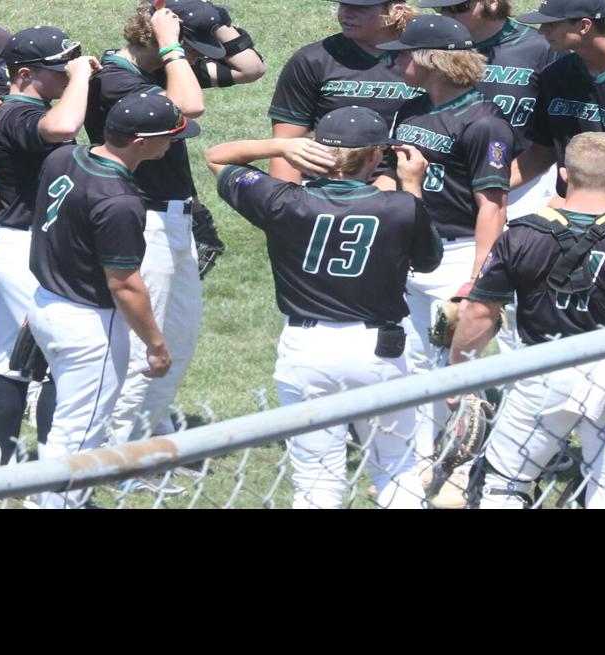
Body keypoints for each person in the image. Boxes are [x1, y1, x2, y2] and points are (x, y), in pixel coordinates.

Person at [206, 106, 441, 509]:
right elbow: (430, 259)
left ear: (314, 152)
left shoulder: (280, 200)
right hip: (378, 352)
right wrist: (412, 187)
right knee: (396, 467)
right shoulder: (401, 207)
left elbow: (217, 156)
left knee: (316, 478)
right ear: (374, 157)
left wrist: (279, 146)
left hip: (306, 349)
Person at [451, 131, 605, 509]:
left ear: (563, 174)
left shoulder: (519, 236)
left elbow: (479, 312)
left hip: (543, 367)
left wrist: (456, 372)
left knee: (504, 483)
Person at [84, 0, 267, 451]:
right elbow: (190, 105)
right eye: (196, 49)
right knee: (145, 344)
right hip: (141, 219)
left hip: (174, 219)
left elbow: (249, 68)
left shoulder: (161, 71)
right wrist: (172, 45)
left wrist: (218, 22)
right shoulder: (113, 80)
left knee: (178, 337)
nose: (203, 58)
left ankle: (149, 435)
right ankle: (119, 451)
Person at [378, 14, 511, 505]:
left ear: (430, 60)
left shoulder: (484, 122)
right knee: (409, 365)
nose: (394, 58)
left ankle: (462, 472)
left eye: (402, 52)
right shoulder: (410, 108)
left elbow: (492, 207)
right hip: (408, 254)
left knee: (456, 371)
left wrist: (479, 277)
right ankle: (417, 467)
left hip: (455, 257)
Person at [27, 92, 181, 509]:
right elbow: (125, 285)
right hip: (89, 325)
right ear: (140, 142)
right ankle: (55, 504)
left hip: (45, 303)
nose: (173, 142)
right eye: (168, 136)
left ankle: (49, 500)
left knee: (64, 419)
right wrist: (156, 344)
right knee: (79, 432)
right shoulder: (121, 200)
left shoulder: (63, 159)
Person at [0, 26, 97, 469]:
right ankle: (50, 471)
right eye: (58, 70)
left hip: (17, 242)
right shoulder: (17, 114)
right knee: (52, 359)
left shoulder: (24, 106)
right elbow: (64, 125)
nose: (66, 76)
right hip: (20, 248)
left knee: (16, 357)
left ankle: (1, 469)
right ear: (25, 73)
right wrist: (81, 76)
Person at [413, 0, 556, 218]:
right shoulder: (431, 48)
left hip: (521, 187)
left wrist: (491, 186)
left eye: (458, 7)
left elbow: (551, 141)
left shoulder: (541, 49)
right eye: (440, 8)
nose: (446, 15)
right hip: (444, 186)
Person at [266, 0, 418, 184]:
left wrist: (391, 183)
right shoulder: (312, 60)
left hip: (405, 186)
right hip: (324, 189)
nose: (346, 13)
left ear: (396, 12)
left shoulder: (422, 58)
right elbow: (285, 144)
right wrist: (290, 205)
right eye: (343, 5)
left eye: (360, 7)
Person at [512, 0, 605, 201]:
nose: (541, 31)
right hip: (572, 212)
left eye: (551, 24)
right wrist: (486, 187)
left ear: (584, 26)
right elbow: (542, 152)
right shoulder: (555, 76)